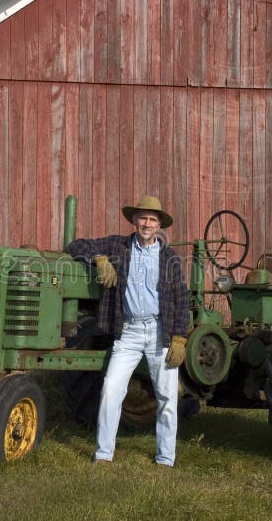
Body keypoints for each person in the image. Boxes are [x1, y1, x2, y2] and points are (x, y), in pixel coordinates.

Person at [66, 195, 189, 467]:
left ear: (159, 225)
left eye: (152, 219)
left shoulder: (169, 258)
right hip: (129, 332)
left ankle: (166, 458)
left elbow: (182, 298)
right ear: (134, 221)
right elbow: (75, 245)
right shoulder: (118, 246)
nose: (147, 224)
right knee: (111, 388)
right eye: (143, 218)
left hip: (160, 333)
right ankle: (103, 454)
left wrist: (180, 337)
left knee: (167, 396)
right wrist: (98, 258)